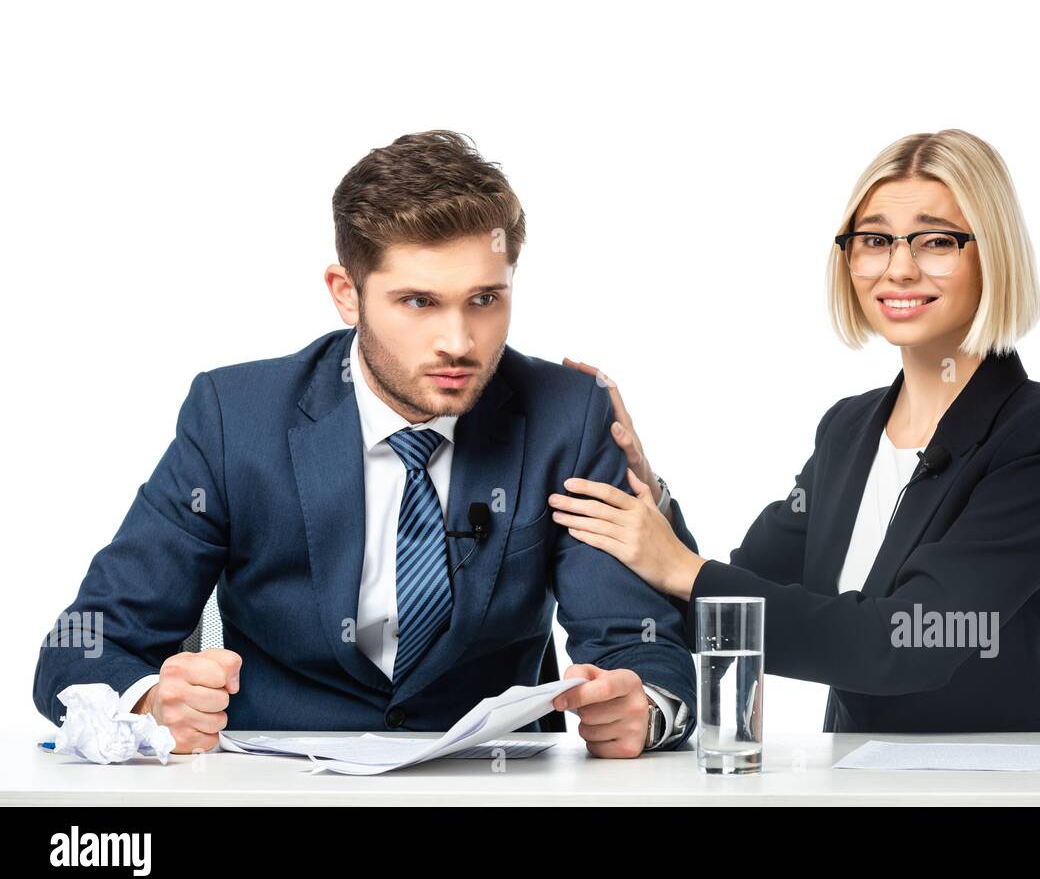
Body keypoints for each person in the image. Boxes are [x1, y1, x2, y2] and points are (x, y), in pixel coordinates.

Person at [34, 130, 698, 756]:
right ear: (346, 294)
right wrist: (148, 700)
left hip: (492, 786)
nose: (459, 342)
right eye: (418, 302)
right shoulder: (235, 416)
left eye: (484, 299)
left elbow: (641, 643)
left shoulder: (568, 417)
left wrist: (644, 704)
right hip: (277, 789)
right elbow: (82, 643)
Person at [549, 129, 1040, 732]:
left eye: (937, 241)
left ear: (992, 254)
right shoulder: (849, 428)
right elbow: (735, 594)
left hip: (1011, 781)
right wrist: (647, 493)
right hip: (853, 777)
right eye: (875, 240)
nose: (899, 268)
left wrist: (682, 569)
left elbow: (907, 643)